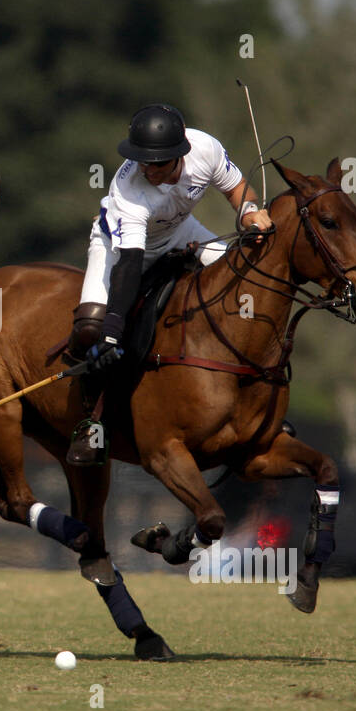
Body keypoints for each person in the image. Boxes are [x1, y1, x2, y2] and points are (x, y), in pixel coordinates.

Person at [66, 103, 273, 465]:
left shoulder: (205, 149)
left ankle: (261, 406)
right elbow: (130, 265)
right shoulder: (129, 189)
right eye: (143, 162)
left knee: (247, 287)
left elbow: (238, 188)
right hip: (119, 247)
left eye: (157, 164)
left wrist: (250, 213)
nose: (148, 170)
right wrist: (112, 330)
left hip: (181, 232)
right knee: (91, 327)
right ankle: (90, 426)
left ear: (180, 156)